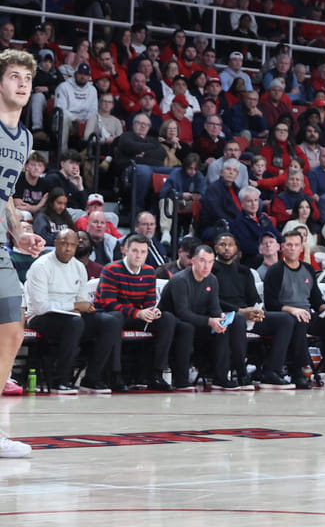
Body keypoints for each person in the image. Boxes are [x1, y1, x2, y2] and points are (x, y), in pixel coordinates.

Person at [0, 50, 44, 456]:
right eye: (14, 76)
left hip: (0, 240)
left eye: (27, 79)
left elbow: (8, 194)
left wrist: (18, 234)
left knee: (13, 329)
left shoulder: (25, 138)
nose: (22, 84)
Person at [25, 228, 123, 394]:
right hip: (41, 318)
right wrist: (74, 307)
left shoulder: (78, 267)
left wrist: (82, 307)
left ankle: (91, 379)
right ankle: (60, 380)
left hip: (72, 316)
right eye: (64, 244)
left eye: (72, 245)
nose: (68, 248)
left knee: (111, 321)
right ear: (55, 244)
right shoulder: (41, 266)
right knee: (74, 323)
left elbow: (82, 300)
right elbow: (40, 307)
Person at [94, 233, 191, 391]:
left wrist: (153, 311)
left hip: (134, 315)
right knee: (116, 318)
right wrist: (137, 313)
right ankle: (115, 374)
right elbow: (108, 303)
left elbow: (150, 301)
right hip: (111, 317)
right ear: (125, 251)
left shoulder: (148, 272)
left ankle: (156, 374)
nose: (138, 255)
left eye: (143, 252)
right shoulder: (111, 269)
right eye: (135, 251)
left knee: (167, 319)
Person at [263, 230, 325, 388]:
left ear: (302, 248)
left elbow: (316, 300)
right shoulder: (275, 271)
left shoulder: (308, 269)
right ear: (282, 247)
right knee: (299, 320)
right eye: (289, 245)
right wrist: (292, 310)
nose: (292, 248)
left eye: (296, 245)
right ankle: (297, 372)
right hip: (287, 317)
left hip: (308, 315)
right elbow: (270, 304)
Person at [209, 232, 295, 389]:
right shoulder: (211, 270)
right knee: (238, 319)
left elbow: (255, 298)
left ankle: (272, 371)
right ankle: (242, 373)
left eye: (230, 245)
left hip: (248, 314)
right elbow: (213, 300)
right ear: (215, 248)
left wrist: (257, 310)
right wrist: (240, 311)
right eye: (222, 245)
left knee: (285, 319)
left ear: (236, 248)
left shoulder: (244, 271)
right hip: (224, 315)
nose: (227, 248)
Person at [158, 243, 241, 391]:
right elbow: (182, 312)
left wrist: (220, 319)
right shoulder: (180, 280)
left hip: (197, 321)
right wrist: (210, 321)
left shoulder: (212, 280)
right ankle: (181, 379)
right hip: (172, 322)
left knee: (222, 329)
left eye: (210, 262)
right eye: (202, 261)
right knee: (187, 328)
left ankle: (221, 377)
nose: (206, 266)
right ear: (193, 261)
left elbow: (214, 308)